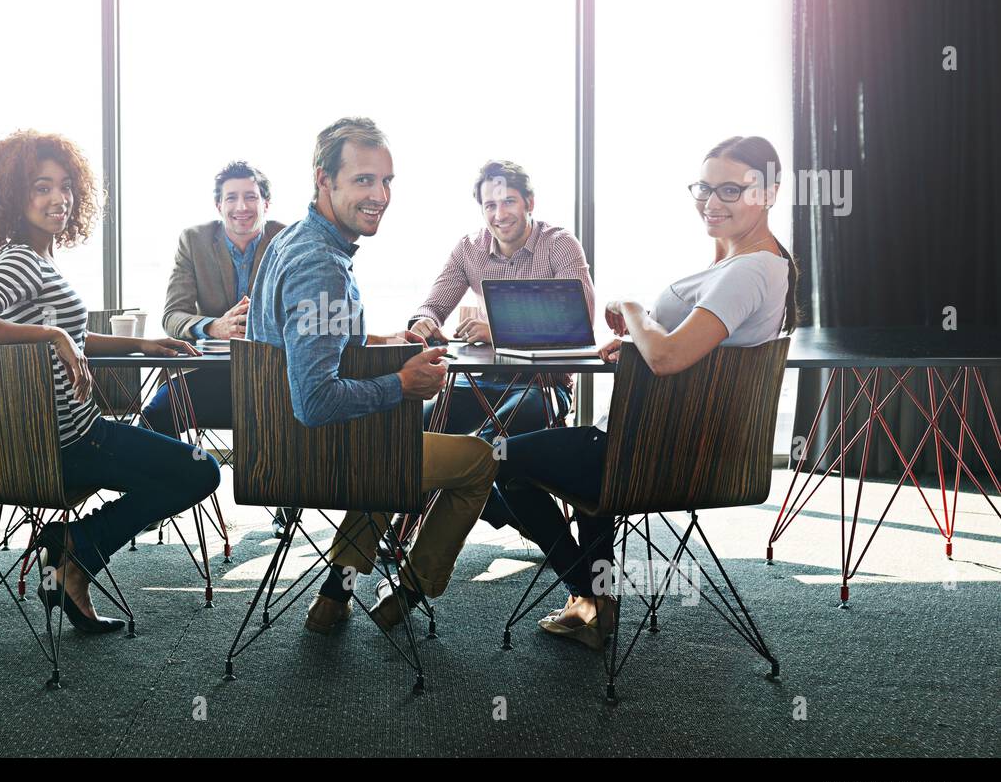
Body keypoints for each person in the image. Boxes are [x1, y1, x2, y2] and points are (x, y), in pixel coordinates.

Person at [484, 135, 798, 650]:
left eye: (730, 190)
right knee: (571, 473)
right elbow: (683, 354)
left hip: (646, 457)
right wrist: (636, 342)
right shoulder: (749, 266)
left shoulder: (749, 270)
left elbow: (670, 357)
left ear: (770, 193)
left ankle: (587, 591)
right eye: (704, 187)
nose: (712, 201)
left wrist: (632, 308)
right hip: (667, 448)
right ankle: (595, 602)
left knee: (492, 459)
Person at [0, 130, 220, 633]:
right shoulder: (21, 262)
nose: (59, 198)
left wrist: (140, 346)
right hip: (71, 441)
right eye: (41, 187)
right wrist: (53, 334)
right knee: (199, 473)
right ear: (13, 197)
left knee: (179, 470)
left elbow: (75, 337)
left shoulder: (41, 260)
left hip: (72, 434)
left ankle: (75, 558)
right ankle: (76, 546)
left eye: (66, 185)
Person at [247, 117, 498, 634]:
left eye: (386, 181)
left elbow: (313, 345)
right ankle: (408, 591)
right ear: (325, 179)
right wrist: (402, 383)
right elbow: (316, 401)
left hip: (276, 444)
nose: (380, 195)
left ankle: (335, 596)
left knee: (394, 434)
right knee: (477, 461)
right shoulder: (322, 266)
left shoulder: (293, 240)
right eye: (364, 179)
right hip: (314, 453)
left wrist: (380, 346)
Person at [410, 159, 595, 440]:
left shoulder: (560, 245)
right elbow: (433, 307)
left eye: (509, 202)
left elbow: (578, 322)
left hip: (543, 386)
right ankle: (453, 483)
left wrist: (495, 332)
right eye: (490, 205)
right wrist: (424, 322)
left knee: (492, 442)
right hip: (479, 381)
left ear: (529, 202)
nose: (500, 214)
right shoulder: (469, 249)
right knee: (411, 432)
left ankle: (483, 482)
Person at [145, 160, 285, 433]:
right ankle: (183, 475)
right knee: (156, 415)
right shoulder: (194, 240)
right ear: (218, 205)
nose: (241, 207)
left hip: (273, 374)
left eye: (251, 197)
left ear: (266, 204)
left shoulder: (287, 239)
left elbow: (303, 313)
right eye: (231, 197)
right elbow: (172, 316)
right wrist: (214, 326)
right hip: (209, 373)